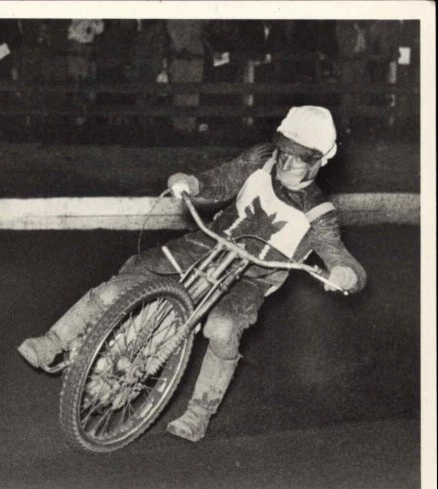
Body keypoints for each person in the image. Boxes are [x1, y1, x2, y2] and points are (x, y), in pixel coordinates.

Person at [18, 105, 366, 442]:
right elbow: (222, 179)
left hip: (252, 276)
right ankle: (54, 341)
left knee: (223, 327)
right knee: (127, 280)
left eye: (299, 158)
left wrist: (346, 274)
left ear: (319, 160)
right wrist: (192, 183)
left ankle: (199, 413)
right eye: (283, 151)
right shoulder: (262, 158)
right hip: (208, 242)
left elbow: (339, 256)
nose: (285, 163)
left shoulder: (319, 212)